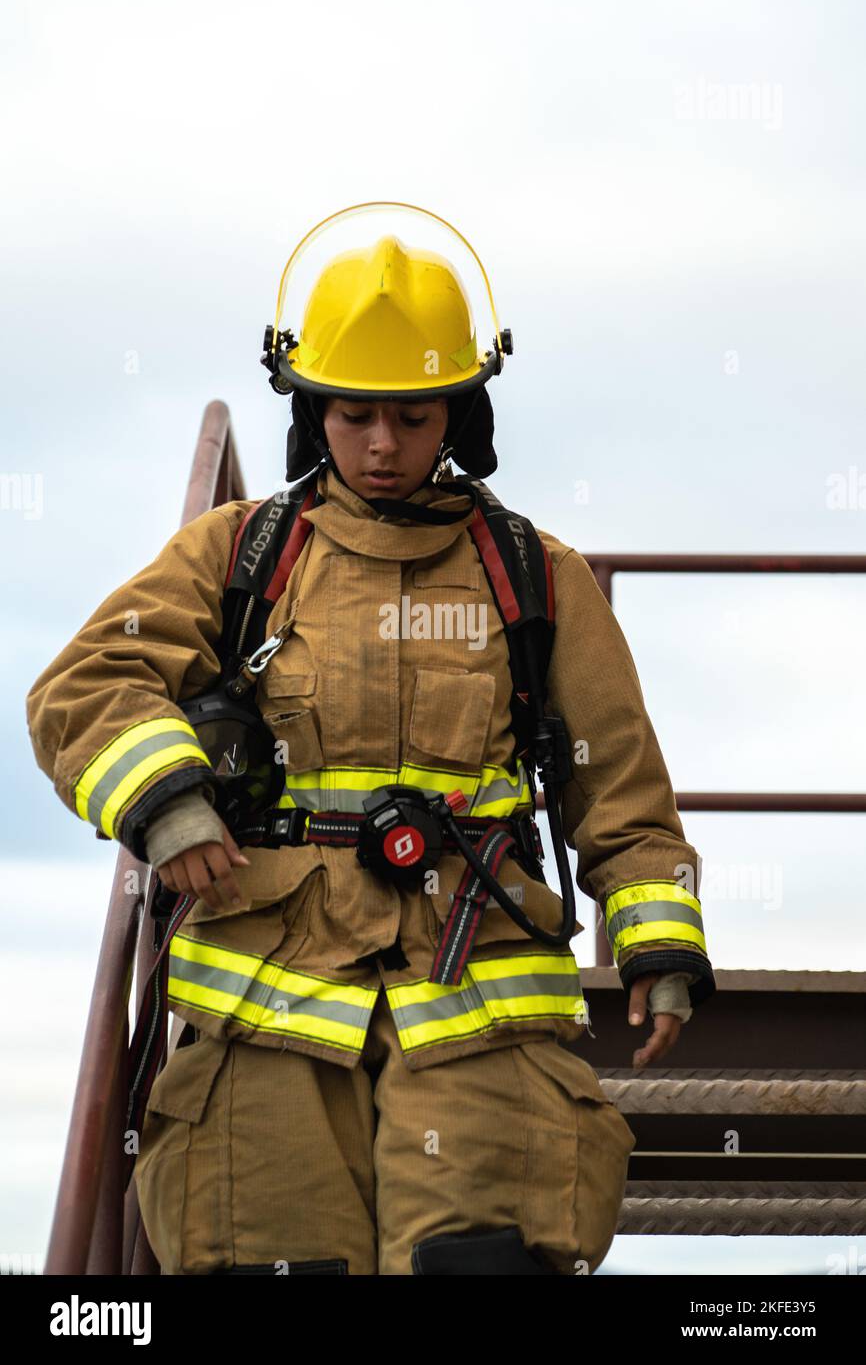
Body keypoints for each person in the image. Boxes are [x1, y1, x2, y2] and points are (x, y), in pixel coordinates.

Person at [25, 205, 715, 1275]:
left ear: (459, 414)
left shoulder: (537, 577)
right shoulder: (237, 553)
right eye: (353, 416)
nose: (383, 446)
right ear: (310, 412)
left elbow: (615, 784)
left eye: (412, 415)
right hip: (265, 1013)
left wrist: (658, 941)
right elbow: (83, 683)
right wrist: (168, 800)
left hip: (478, 1012)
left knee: (483, 1264)